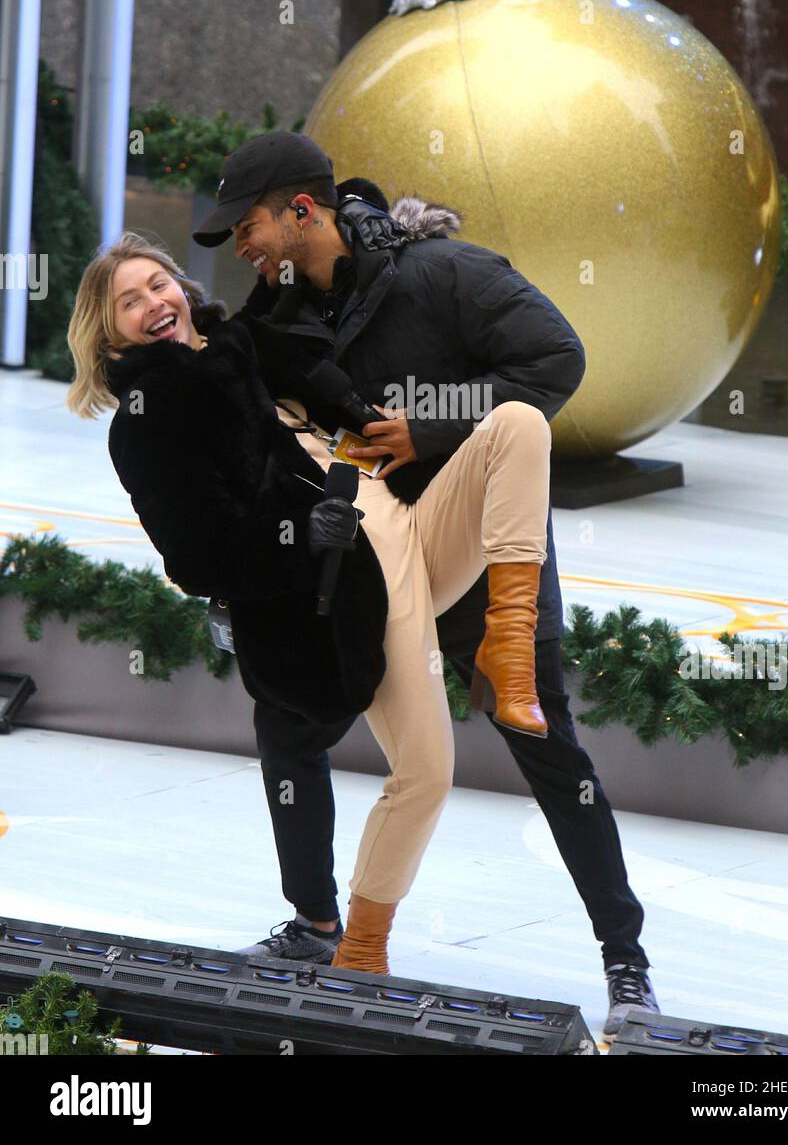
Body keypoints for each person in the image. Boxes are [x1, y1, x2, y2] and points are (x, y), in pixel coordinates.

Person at [191, 131, 661, 1038]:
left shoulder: (445, 273)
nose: (239, 247)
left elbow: (555, 362)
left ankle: (626, 963)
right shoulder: (273, 320)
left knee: (547, 748)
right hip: (364, 567)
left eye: (246, 226)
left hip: (484, 548)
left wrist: (432, 429)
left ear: (302, 210)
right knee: (288, 722)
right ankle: (318, 926)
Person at [65, 227, 555, 976]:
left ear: (182, 287)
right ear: (109, 332)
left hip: (408, 530)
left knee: (518, 423)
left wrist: (376, 219)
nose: (151, 304)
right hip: (347, 586)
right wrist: (302, 534)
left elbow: (305, 269)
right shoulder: (149, 418)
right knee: (421, 772)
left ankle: (508, 642)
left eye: (156, 284)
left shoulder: (241, 344)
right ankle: (355, 941)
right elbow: (196, 558)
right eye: (127, 302)